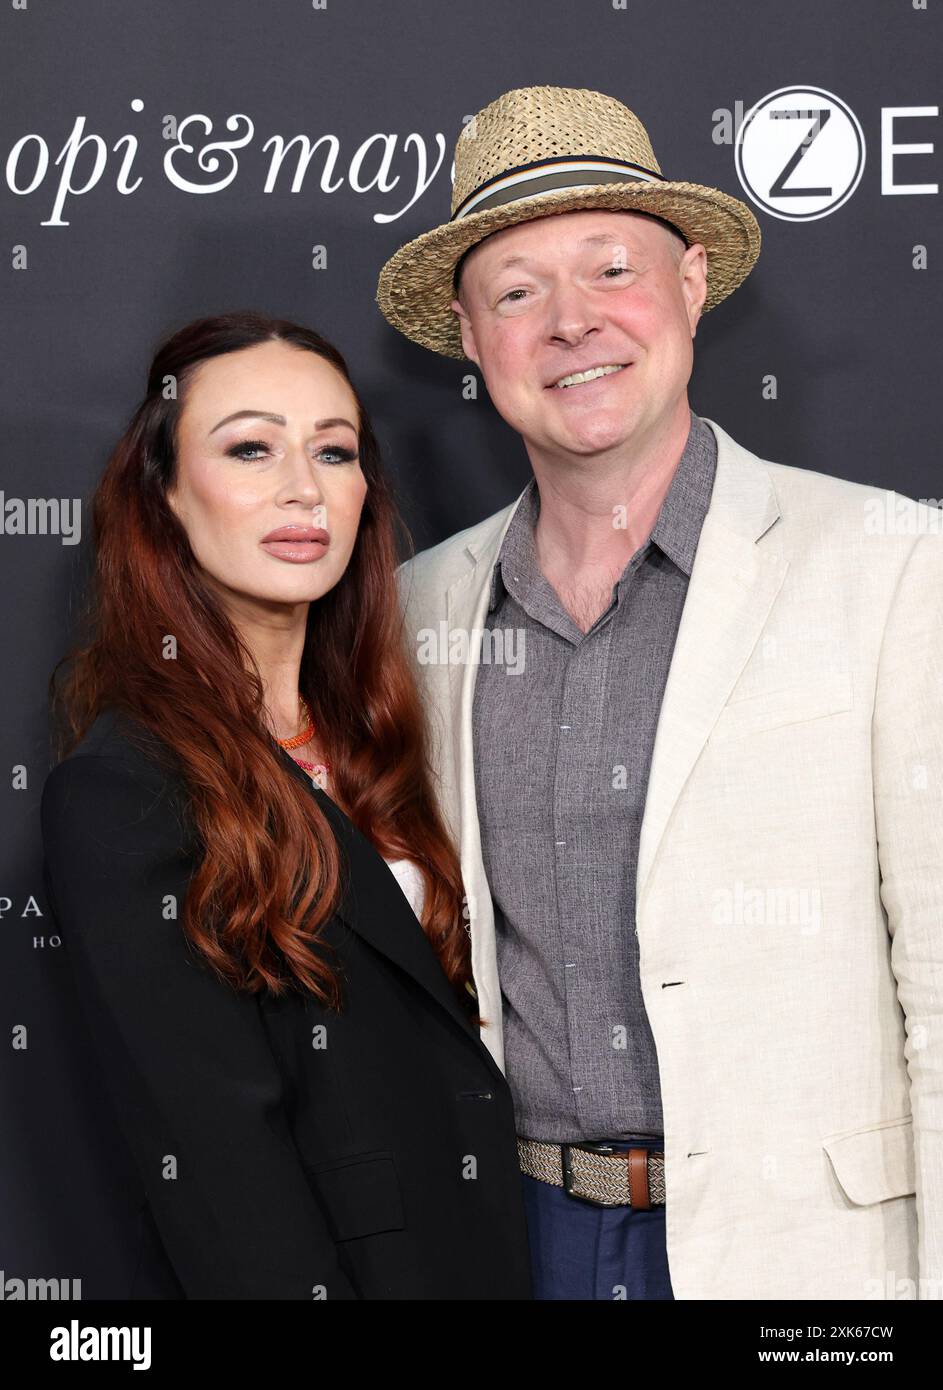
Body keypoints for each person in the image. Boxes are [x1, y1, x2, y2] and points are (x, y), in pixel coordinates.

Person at [376, 85, 943, 1300]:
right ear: (473, 343)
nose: (571, 321)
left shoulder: (890, 562)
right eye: (517, 291)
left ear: (689, 284)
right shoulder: (419, 609)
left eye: (611, 267)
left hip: (807, 1258)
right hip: (519, 1245)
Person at [40, 310, 532, 1300]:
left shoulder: (392, 735)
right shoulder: (124, 789)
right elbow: (223, 1185)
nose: (302, 487)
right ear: (166, 495)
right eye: (251, 447)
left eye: (334, 450)